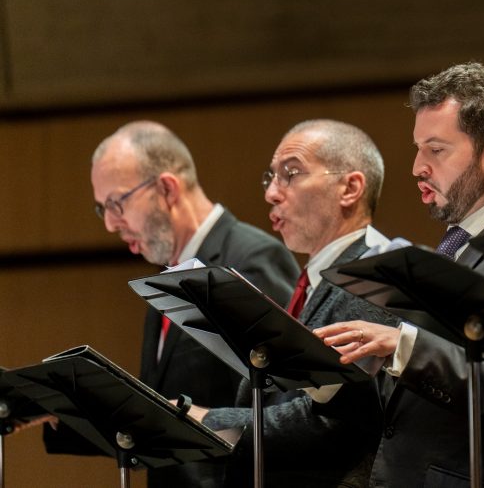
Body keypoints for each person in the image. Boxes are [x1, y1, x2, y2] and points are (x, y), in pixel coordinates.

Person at [313, 62, 484, 487]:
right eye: (418, 149)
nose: (417, 167)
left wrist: (404, 346)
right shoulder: (455, 248)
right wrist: (325, 374)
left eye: (435, 150)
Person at [45, 121, 300, 488]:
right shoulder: (169, 276)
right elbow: (160, 419)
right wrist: (66, 407)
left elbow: (280, 413)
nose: (112, 225)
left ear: (166, 188)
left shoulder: (250, 260)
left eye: (117, 203)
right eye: (103, 209)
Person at [189, 119, 399, 487]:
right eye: (270, 177)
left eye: (291, 174)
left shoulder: (373, 275)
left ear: (349, 188)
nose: (272, 192)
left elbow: (337, 420)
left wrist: (209, 420)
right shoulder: (315, 281)